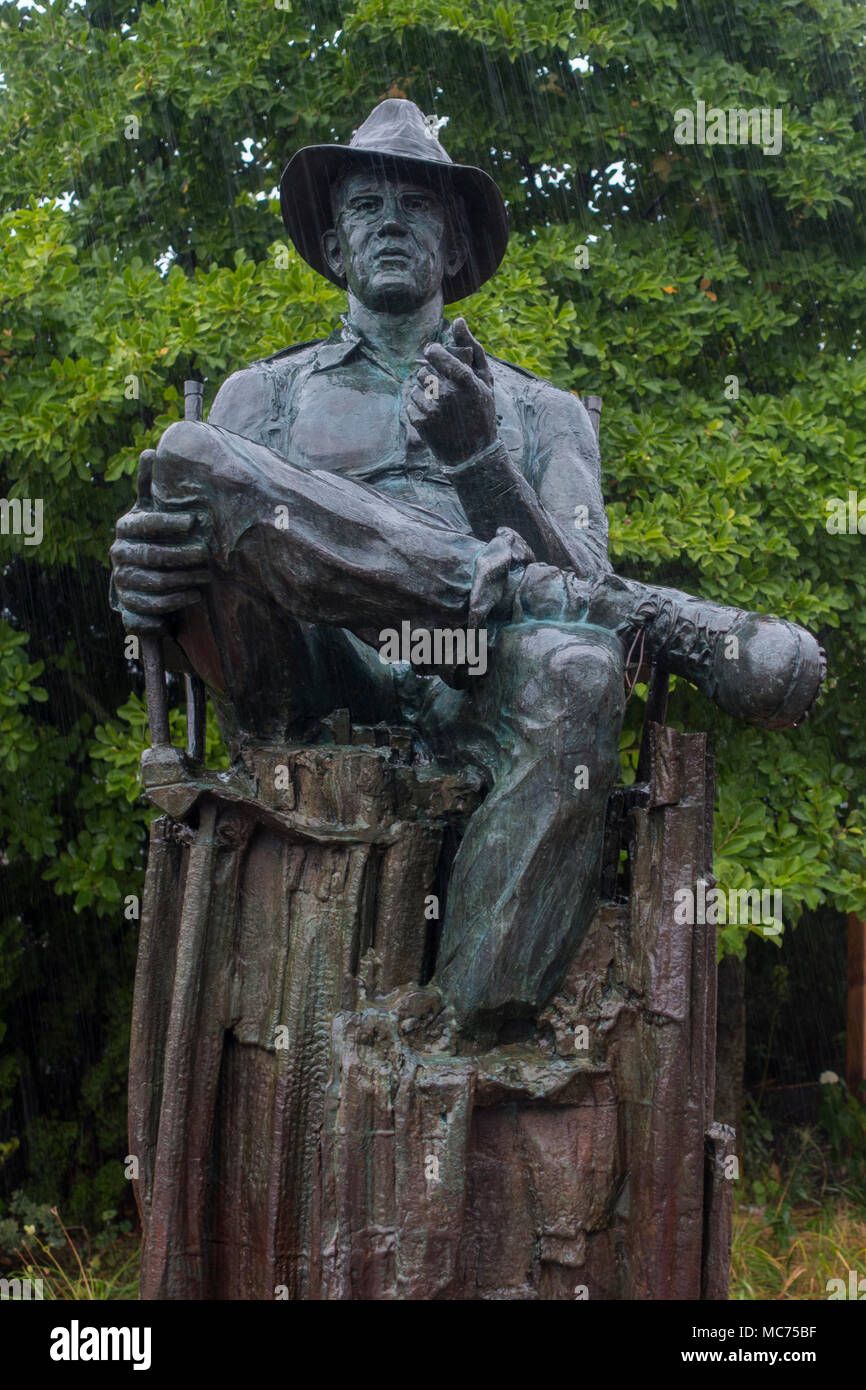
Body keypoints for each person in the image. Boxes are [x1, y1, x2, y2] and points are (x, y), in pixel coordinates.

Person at [110, 99, 824, 1034]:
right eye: (368, 205)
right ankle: (467, 579)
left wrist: (480, 462)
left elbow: (587, 596)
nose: (393, 221)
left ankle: (465, 1020)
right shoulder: (265, 392)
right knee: (192, 453)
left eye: (418, 204)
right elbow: (200, 531)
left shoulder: (543, 410)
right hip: (312, 677)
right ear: (335, 247)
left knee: (576, 666)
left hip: (474, 674)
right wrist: (146, 574)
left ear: (453, 251)